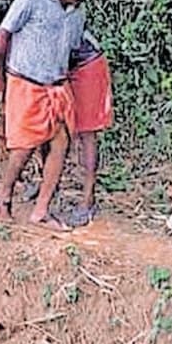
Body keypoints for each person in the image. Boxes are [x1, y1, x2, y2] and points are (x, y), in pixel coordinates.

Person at [0, 0, 97, 231]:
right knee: (23, 149)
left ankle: (41, 210)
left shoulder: (76, 15)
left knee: (60, 144)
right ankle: (4, 197)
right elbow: (2, 34)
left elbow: (72, 51)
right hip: (26, 84)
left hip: (57, 88)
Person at [65, 31, 113, 227]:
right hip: (64, 64)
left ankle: (87, 199)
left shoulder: (58, 4)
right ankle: (47, 187)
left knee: (87, 133)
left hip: (86, 65)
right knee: (51, 127)